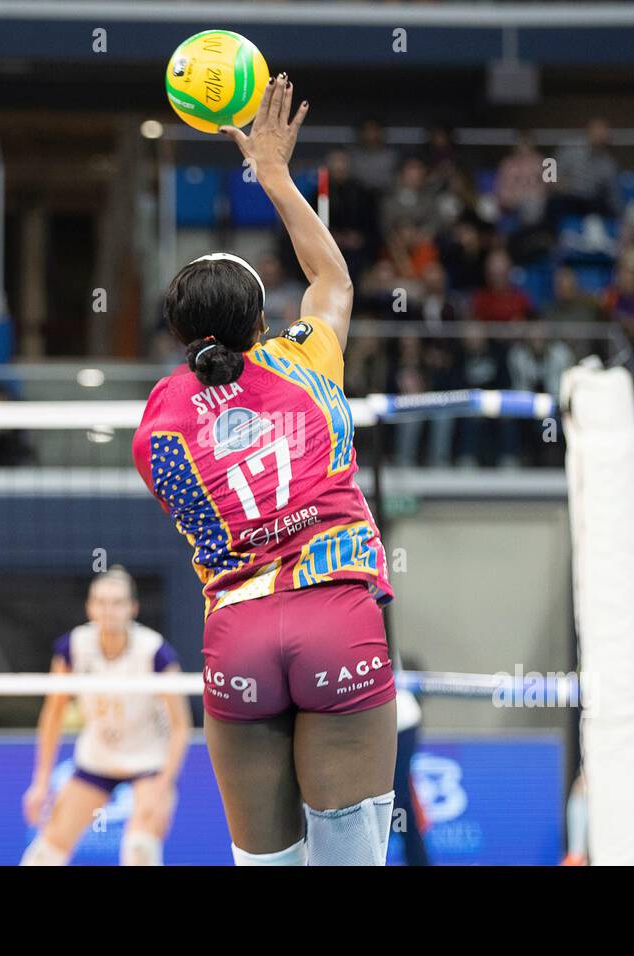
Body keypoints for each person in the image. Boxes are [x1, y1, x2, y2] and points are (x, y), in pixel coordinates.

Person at [132, 74, 397, 866]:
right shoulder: (304, 359)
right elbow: (332, 282)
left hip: (238, 633)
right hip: (335, 615)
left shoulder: (159, 421)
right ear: (260, 319)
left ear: (179, 334)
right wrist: (275, 177)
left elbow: (188, 504)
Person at [21, 568, 189, 866]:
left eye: (117, 602)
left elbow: (180, 726)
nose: (108, 610)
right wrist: (41, 782)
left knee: (140, 850)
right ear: (89, 607)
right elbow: (52, 716)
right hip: (97, 758)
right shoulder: (73, 647)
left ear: (133, 608)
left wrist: (164, 788)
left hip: (147, 759)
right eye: (101, 602)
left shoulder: (155, 651)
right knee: (42, 855)